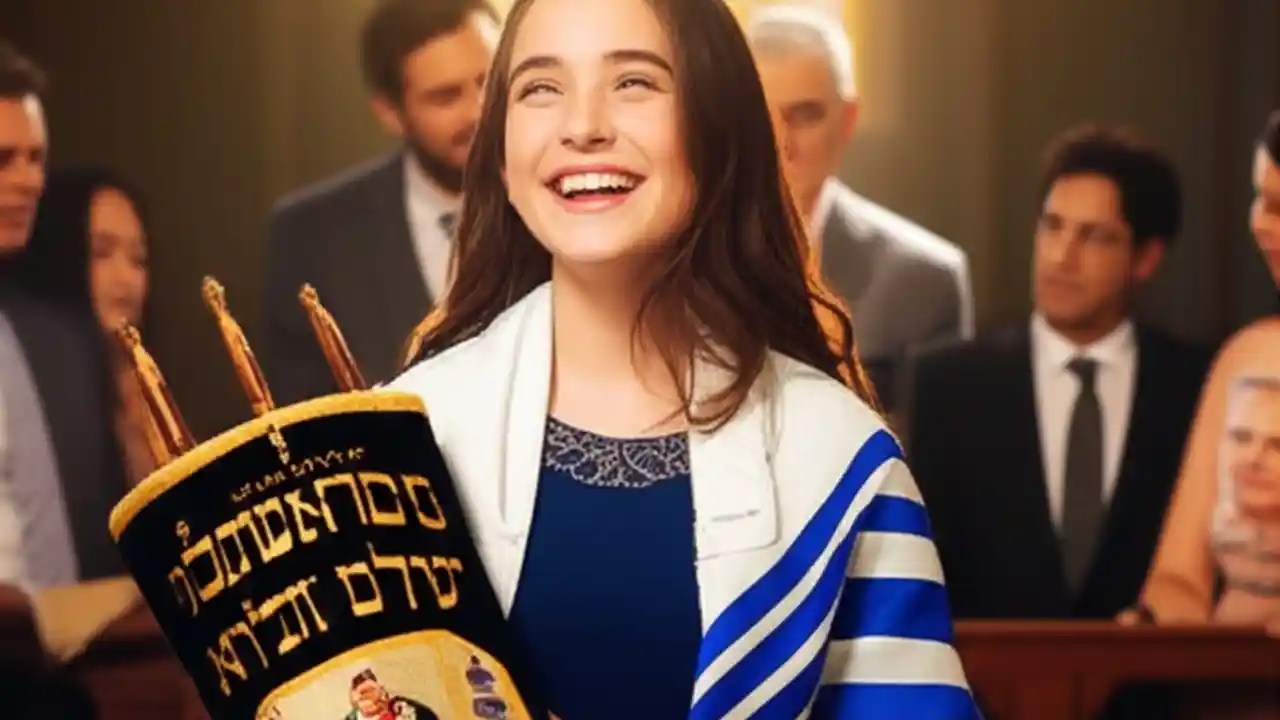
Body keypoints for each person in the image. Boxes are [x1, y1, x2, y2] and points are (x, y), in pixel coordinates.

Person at [388, 0, 978, 718]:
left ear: (715, 130)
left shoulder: (835, 457)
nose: (583, 126)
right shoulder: (408, 435)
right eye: (540, 87)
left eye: (634, 82)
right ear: (501, 156)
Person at [906, 126, 1210, 621]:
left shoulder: (1195, 386)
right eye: (1052, 226)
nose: (1060, 257)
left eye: (1093, 236)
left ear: (1147, 257)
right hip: (982, 688)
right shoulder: (951, 384)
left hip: (1150, 688)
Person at [263, 0, 500, 403]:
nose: (479, 110)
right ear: (390, 113)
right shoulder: (312, 235)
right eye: (446, 96)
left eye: (488, 83)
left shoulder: (565, 200)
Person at [1125, 107, 1280, 720]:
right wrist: (1161, 621)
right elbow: (1178, 575)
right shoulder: (1242, 357)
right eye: (1262, 201)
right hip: (1222, 698)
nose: (1267, 224)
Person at [746, 4, 974, 415]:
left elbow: (932, 462)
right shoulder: (669, 263)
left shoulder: (922, 282)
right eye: (762, 116)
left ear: (847, 120)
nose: (782, 142)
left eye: (804, 115)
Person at [0, 39, 125, 720]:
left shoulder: (58, 336)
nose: (28, 181)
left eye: (36, 158)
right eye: (3, 160)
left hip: (71, 689)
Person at [21, 167, 159, 486]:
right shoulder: (33, 401)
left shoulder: (145, 390)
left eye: (138, 259)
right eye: (102, 253)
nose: (126, 278)